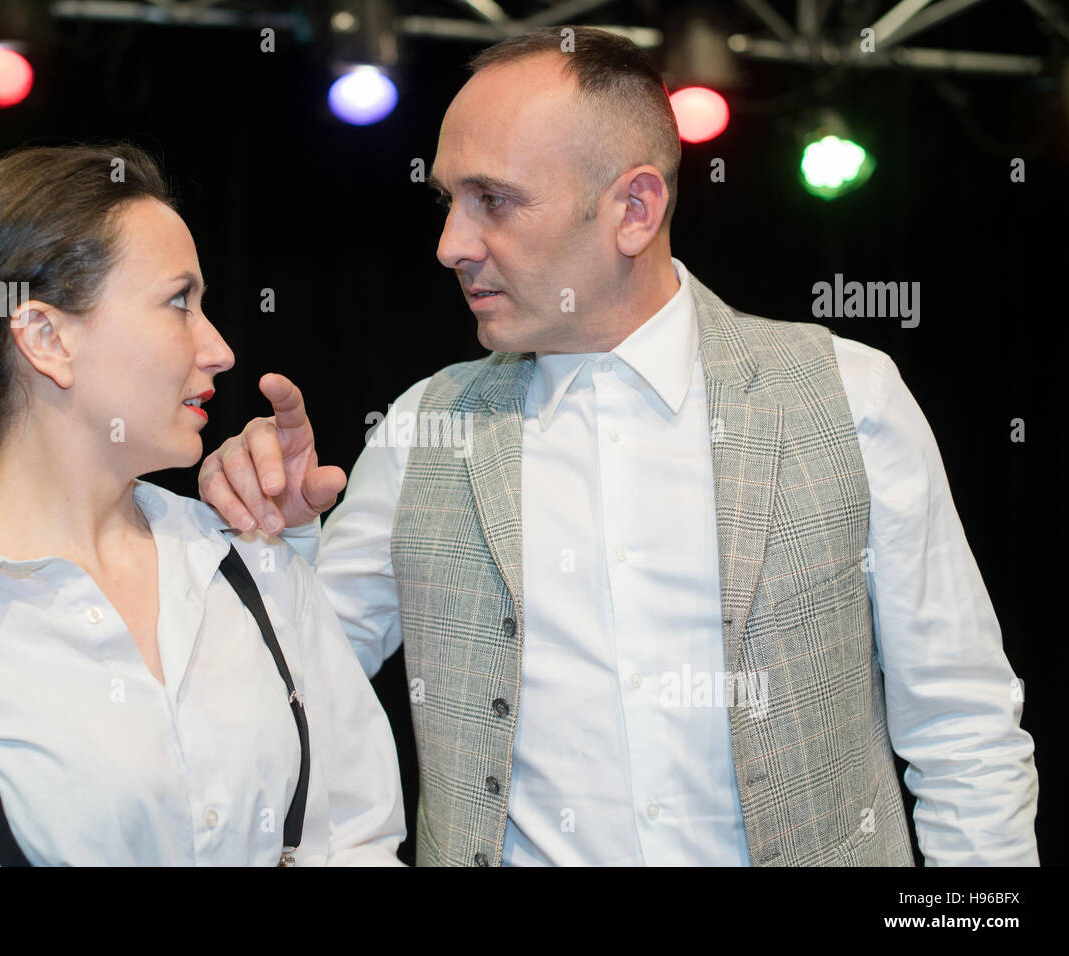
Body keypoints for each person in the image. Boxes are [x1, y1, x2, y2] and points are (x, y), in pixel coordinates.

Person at [197, 26, 1039, 866]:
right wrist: (277, 544)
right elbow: (292, 697)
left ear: (634, 209)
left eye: (494, 199)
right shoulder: (427, 427)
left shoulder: (847, 395)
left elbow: (963, 725)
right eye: (448, 200)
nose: (450, 244)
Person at [0, 143, 405, 866]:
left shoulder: (256, 570)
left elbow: (359, 835)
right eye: (179, 303)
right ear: (47, 338)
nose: (221, 348)